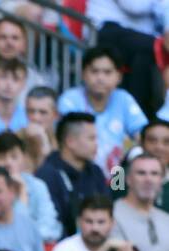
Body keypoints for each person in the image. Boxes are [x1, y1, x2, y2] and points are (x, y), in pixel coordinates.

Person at [57, 47, 147, 177]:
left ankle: (119, 193)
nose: (100, 78)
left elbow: (143, 135)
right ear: (83, 74)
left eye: (107, 72)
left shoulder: (123, 98)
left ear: (119, 77)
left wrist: (132, 150)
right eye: (94, 71)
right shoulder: (70, 99)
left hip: (116, 172)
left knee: (132, 160)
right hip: (81, 170)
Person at [0, 131, 63, 246]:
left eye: (14, 157)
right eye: (1, 158)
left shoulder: (37, 185)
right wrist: (22, 195)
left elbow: (49, 226)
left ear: (23, 158)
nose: (8, 163)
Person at [36, 114, 110, 240]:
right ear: (70, 141)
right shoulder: (47, 174)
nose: (97, 144)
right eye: (91, 139)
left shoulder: (96, 171)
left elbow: (109, 207)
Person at [114, 150, 169, 251]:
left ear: (161, 180)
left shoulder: (165, 218)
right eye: (141, 173)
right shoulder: (113, 215)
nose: (148, 179)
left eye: (154, 174)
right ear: (128, 179)